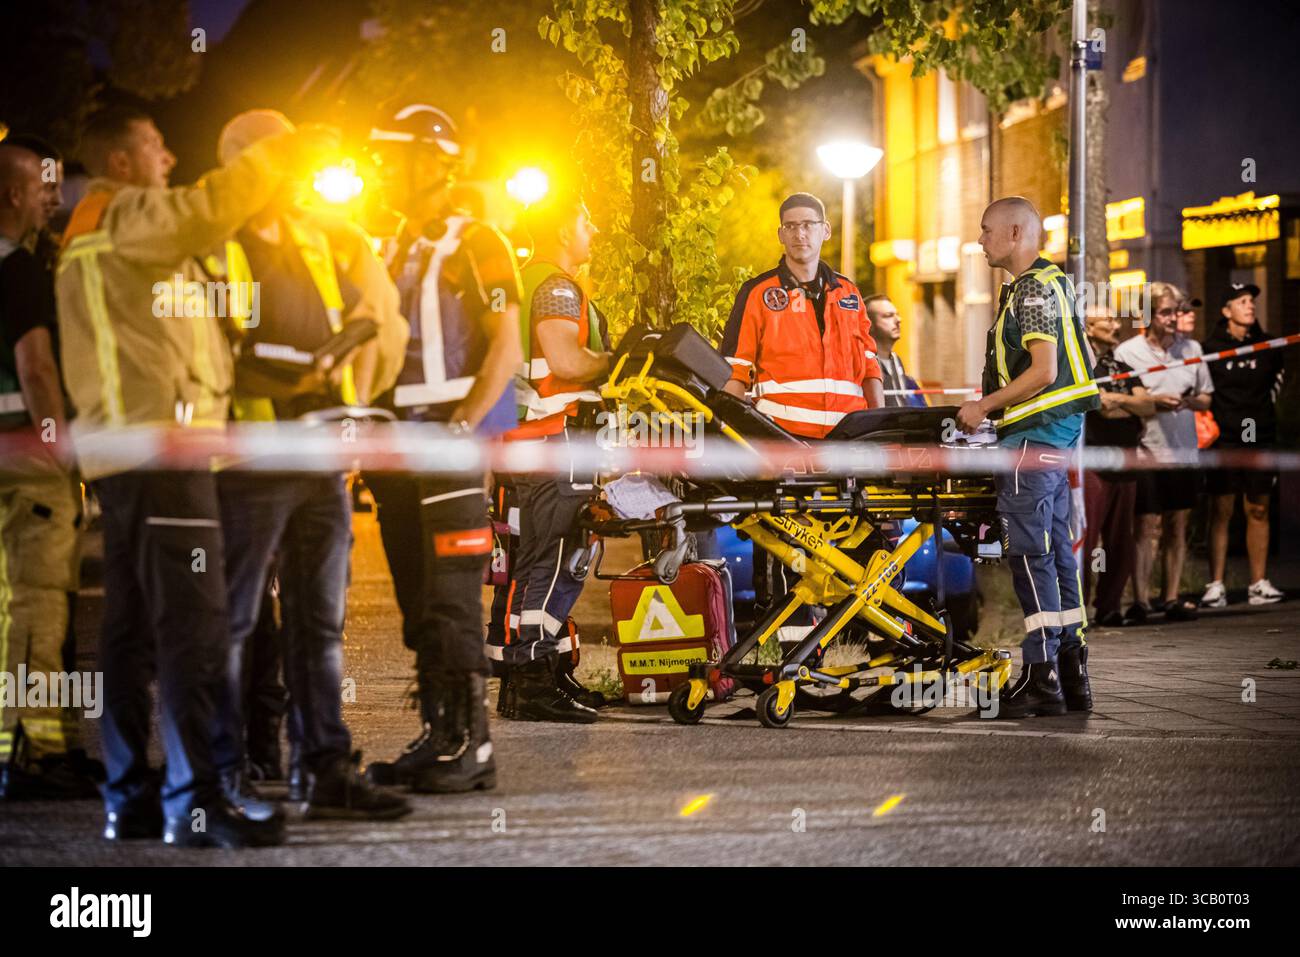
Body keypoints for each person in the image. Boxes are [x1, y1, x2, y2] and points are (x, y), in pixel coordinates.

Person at [56, 104, 322, 847]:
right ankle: (197, 802)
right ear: (119, 162)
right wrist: (283, 150)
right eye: (155, 146)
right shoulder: (128, 211)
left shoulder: (97, 227)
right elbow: (206, 211)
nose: (169, 158)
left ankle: (131, 796)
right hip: (163, 451)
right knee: (194, 629)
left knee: (131, 627)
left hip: (129, 453)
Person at [207, 110, 411, 821]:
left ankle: (323, 771)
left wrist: (341, 378)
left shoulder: (312, 239)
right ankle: (220, 778)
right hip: (248, 460)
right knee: (231, 623)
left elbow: (357, 323)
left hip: (320, 459)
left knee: (319, 625)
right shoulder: (212, 243)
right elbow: (213, 355)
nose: (293, 171)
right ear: (242, 162)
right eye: (280, 157)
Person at [360, 103, 521, 793]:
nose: (384, 167)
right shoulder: (386, 245)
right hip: (392, 451)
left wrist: (462, 428)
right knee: (418, 597)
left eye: (397, 154)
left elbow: (507, 346)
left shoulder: (479, 241)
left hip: (447, 449)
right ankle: (440, 731)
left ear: (436, 159)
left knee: (454, 598)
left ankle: (474, 746)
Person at [957, 196, 1099, 718]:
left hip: (1031, 439)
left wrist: (983, 406)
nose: (980, 240)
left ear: (1016, 232)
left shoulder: (1032, 290)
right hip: (1052, 438)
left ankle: (1041, 679)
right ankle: (1071, 675)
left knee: (1030, 557)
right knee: (1057, 554)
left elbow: (1042, 370)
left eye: (987, 230)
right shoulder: (1048, 283)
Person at [0, 140, 99, 799]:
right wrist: (58, 443)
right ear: (12, 194)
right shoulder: (22, 273)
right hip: (27, 458)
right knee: (38, 602)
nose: (54, 198)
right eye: (43, 186)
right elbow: (36, 368)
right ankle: (34, 752)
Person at [494, 190, 610, 722]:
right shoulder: (557, 287)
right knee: (558, 560)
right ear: (564, 229)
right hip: (555, 440)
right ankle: (533, 679)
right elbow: (565, 357)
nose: (593, 229)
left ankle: (528, 681)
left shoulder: (525, 280)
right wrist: (622, 358)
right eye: (585, 217)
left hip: (528, 441)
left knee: (535, 560)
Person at [720, 192, 884, 436]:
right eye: (791, 226)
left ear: (825, 230)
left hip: (849, 438)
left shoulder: (849, 294)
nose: (800, 234)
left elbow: (870, 368)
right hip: (782, 437)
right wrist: (733, 435)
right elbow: (735, 369)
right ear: (781, 234)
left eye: (808, 225)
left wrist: (878, 430)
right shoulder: (757, 293)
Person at [1114, 281, 1212, 623]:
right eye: (1166, 312)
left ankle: (1171, 596)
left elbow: (1206, 397)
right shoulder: (1128, 352)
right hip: (1147, 449)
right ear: (1148, 314)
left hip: (1184, 449)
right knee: (1147, 525)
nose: (1174, 318)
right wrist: (1154, 401)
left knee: (1178, 524)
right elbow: (1125, 399)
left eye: (1178, 311)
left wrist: (1187, 400)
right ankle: (1141, 599)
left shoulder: (1192, 349)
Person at [1199, 282, 1285, 607]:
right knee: (1222, 509)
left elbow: (1275, 386)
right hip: (1225, 440)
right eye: (1241, 301)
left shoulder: (1269, 345)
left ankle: (1258, 584)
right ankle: (1216, 584)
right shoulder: (1210, 348)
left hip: (1259, 438)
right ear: (1226, 310)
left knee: (1259, 508)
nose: (1249, 306)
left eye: (1251, 301)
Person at [1081, 307, 1155, 627]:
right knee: (1086, 540)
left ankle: (1109, 607)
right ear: (1088, 327)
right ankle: (1078, 609)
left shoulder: (1123, 367)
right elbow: (1100, 408)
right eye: (1107, 321)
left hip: (1127, 461)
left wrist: (1117, 399)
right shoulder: (1082, 366)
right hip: (1094, 462)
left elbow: (1148, 406)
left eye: (1115, 320)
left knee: (1120, 540)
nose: (1115, 325)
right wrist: (1126, 404)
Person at [865, 294, 927, 408]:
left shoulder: (896, 360)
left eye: (897, 315)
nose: (898, 320)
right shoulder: (863, 361)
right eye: (888, 316)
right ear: (869, 324)